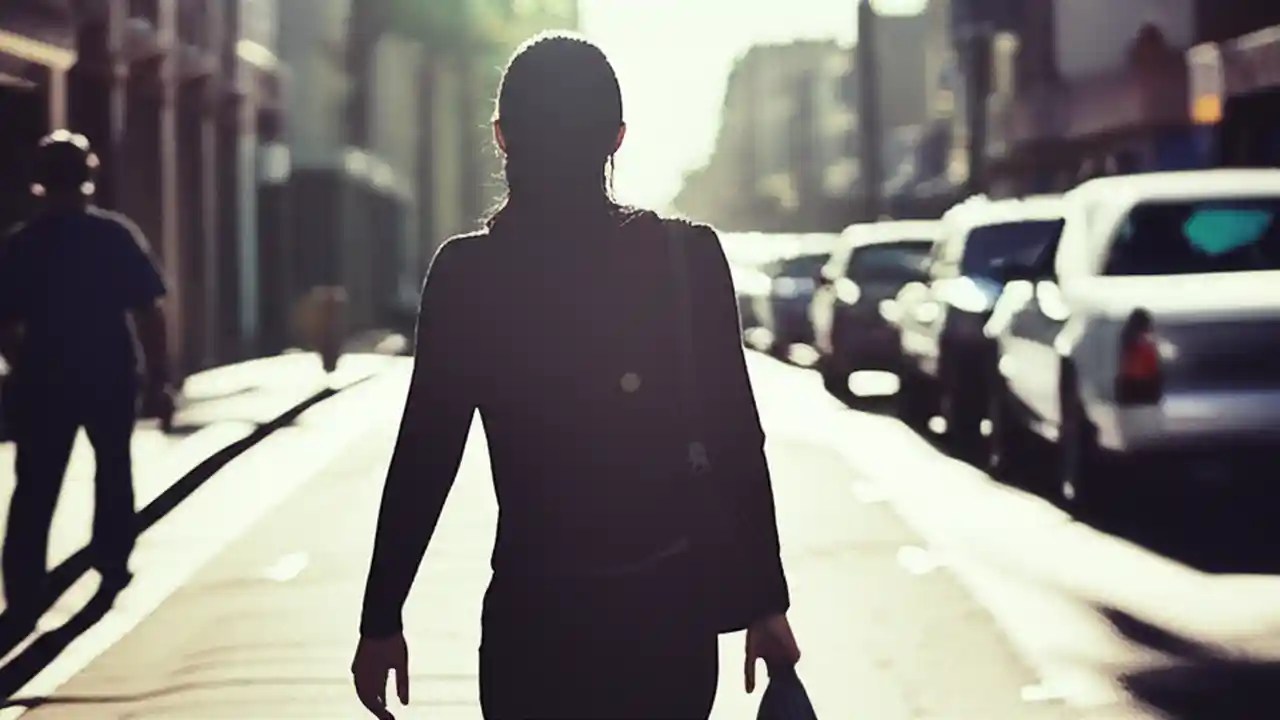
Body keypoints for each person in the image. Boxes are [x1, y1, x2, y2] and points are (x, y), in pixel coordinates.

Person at [352, 33, 800, 719]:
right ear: (617, 138)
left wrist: (381, 618)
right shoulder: (687, 260)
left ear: (502, 137)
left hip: (533, 622)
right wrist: (766, 603)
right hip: (665, 618)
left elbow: (426, 453)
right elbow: (736, 437)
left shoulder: (467, 277)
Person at [0, 130, 173, 618]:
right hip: (109, 373)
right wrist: (160, 379)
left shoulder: (23, 244)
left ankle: (23, 586)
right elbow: (150, 311)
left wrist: (22, 362)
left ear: (39, 182)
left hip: (43, 379)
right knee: (113, 469)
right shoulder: (113, 235)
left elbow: (4, 322)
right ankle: (112, 560)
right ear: (88, 178)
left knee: (36, 484)